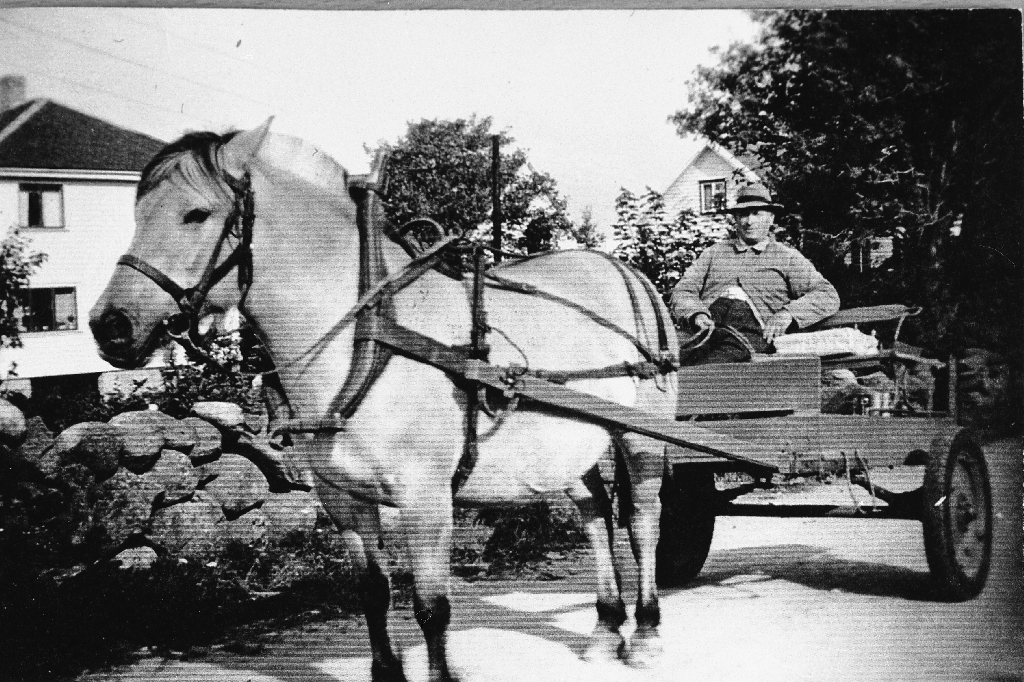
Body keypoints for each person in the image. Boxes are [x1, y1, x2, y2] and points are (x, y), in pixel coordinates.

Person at [669, 184, 840, 364]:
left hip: (753, 332)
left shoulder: (786, 257)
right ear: (735, 218)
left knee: (715, 361)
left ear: (770, 218)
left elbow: (827, 295)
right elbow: (683, 291)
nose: (749, 221)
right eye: (743, 214)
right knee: (675, 359)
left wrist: (788, 314)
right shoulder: (714, 253)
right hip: (710, 328)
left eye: (756, 213)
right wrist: (697, 314)